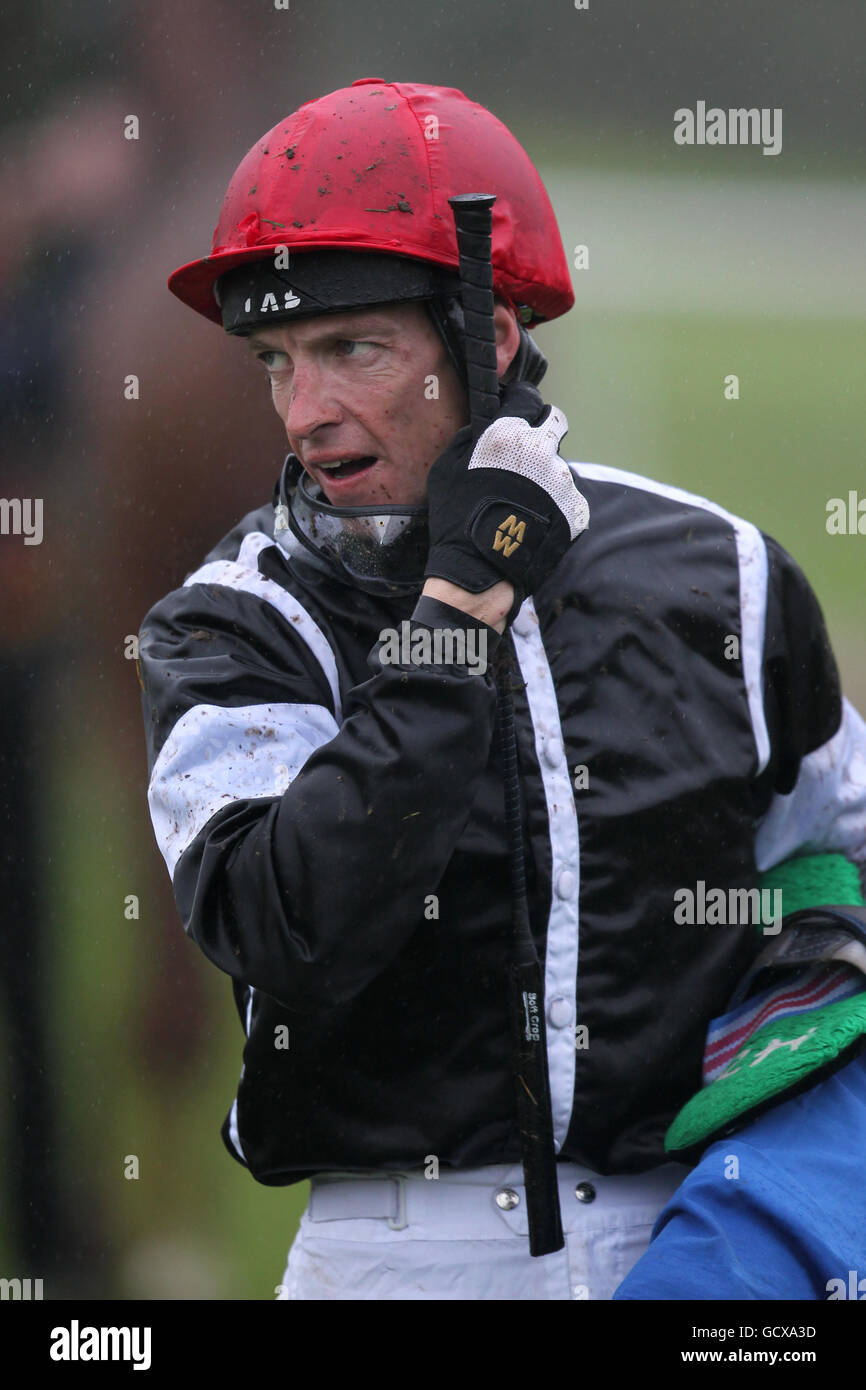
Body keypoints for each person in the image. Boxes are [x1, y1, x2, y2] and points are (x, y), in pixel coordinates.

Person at [138, 78, 866, 1300]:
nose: (302, 413)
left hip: (695, 1243)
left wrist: (776, 1191)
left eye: (350, 350)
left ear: (488, 338)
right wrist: (456, 613)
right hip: (392, 1258)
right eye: (276, 361)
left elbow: (835, 879)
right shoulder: (229, 619)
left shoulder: (725, 575)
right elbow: (287, 923)